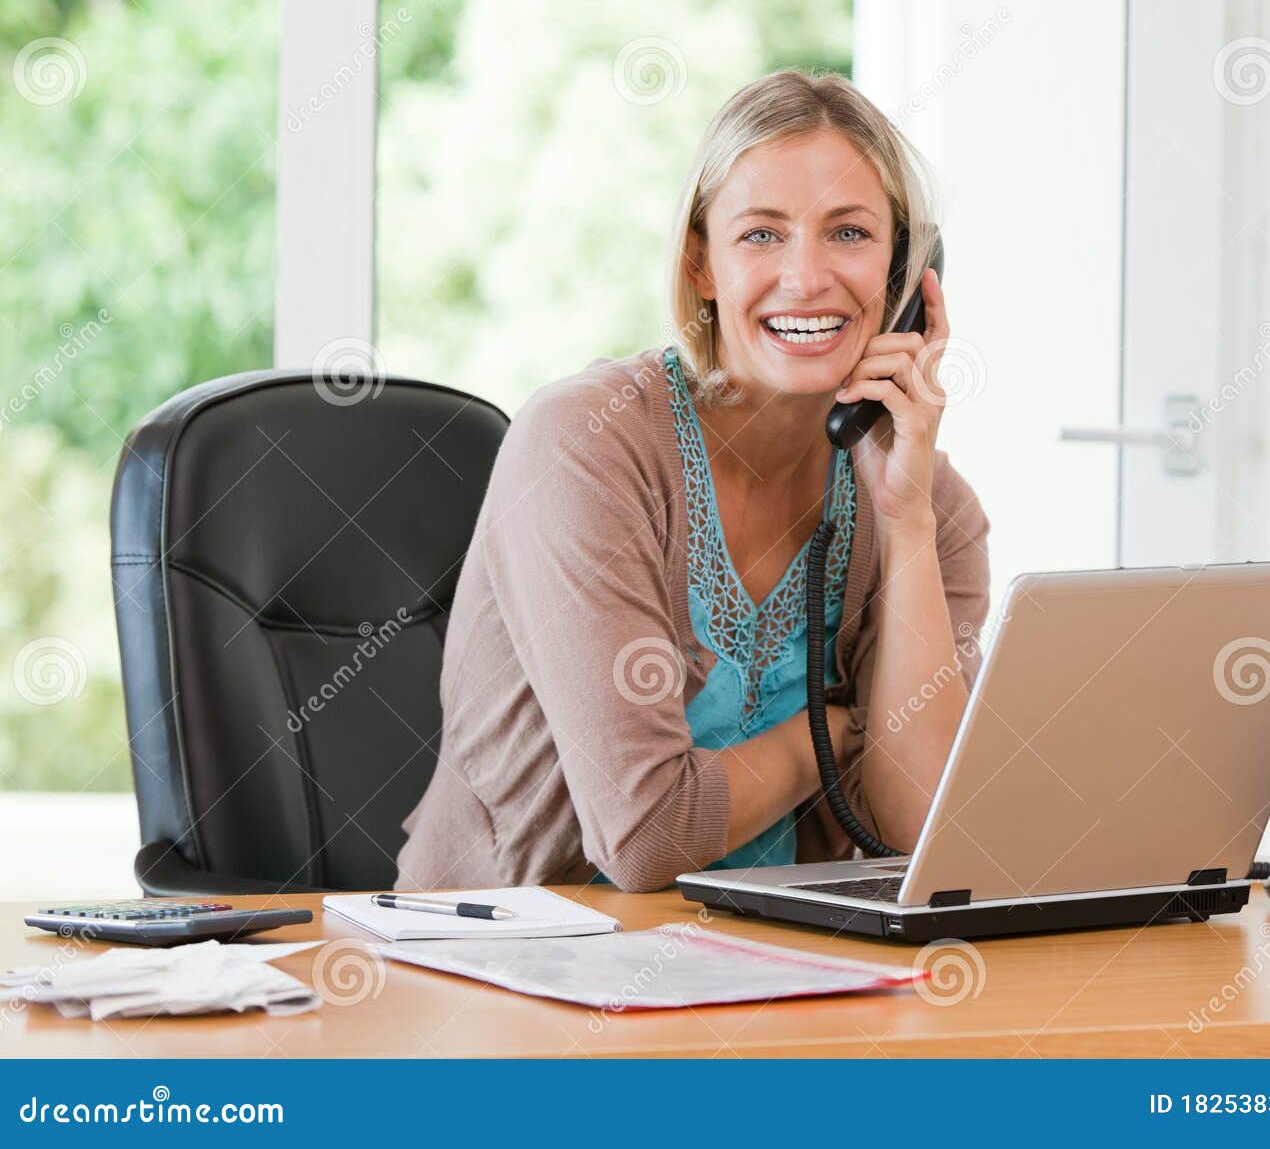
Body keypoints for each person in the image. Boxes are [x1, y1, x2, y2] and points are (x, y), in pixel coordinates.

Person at [395, 69, 990, 893]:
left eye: (849, 233)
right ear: (701, 263)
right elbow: (645, 837)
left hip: (784, 972)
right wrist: (838, 734)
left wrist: (908, 520)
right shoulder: (589, 446)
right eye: (761, 234)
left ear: (904, 279)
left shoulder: (933, 506)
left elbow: (925, 826)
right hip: (513, 967)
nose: (807, 276)